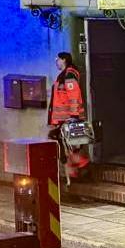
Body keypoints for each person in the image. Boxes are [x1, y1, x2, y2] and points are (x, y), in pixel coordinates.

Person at [48, 52, 89, 181]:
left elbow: (74, 95)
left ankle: (79, 166)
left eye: (57, 59)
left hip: (68, 118)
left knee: (65, 143)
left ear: (64, 60)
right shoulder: (63, 75)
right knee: (66, 144)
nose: (56, 62)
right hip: (63, 119)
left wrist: (74, 115)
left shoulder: (69, 74)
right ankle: (73, 170)